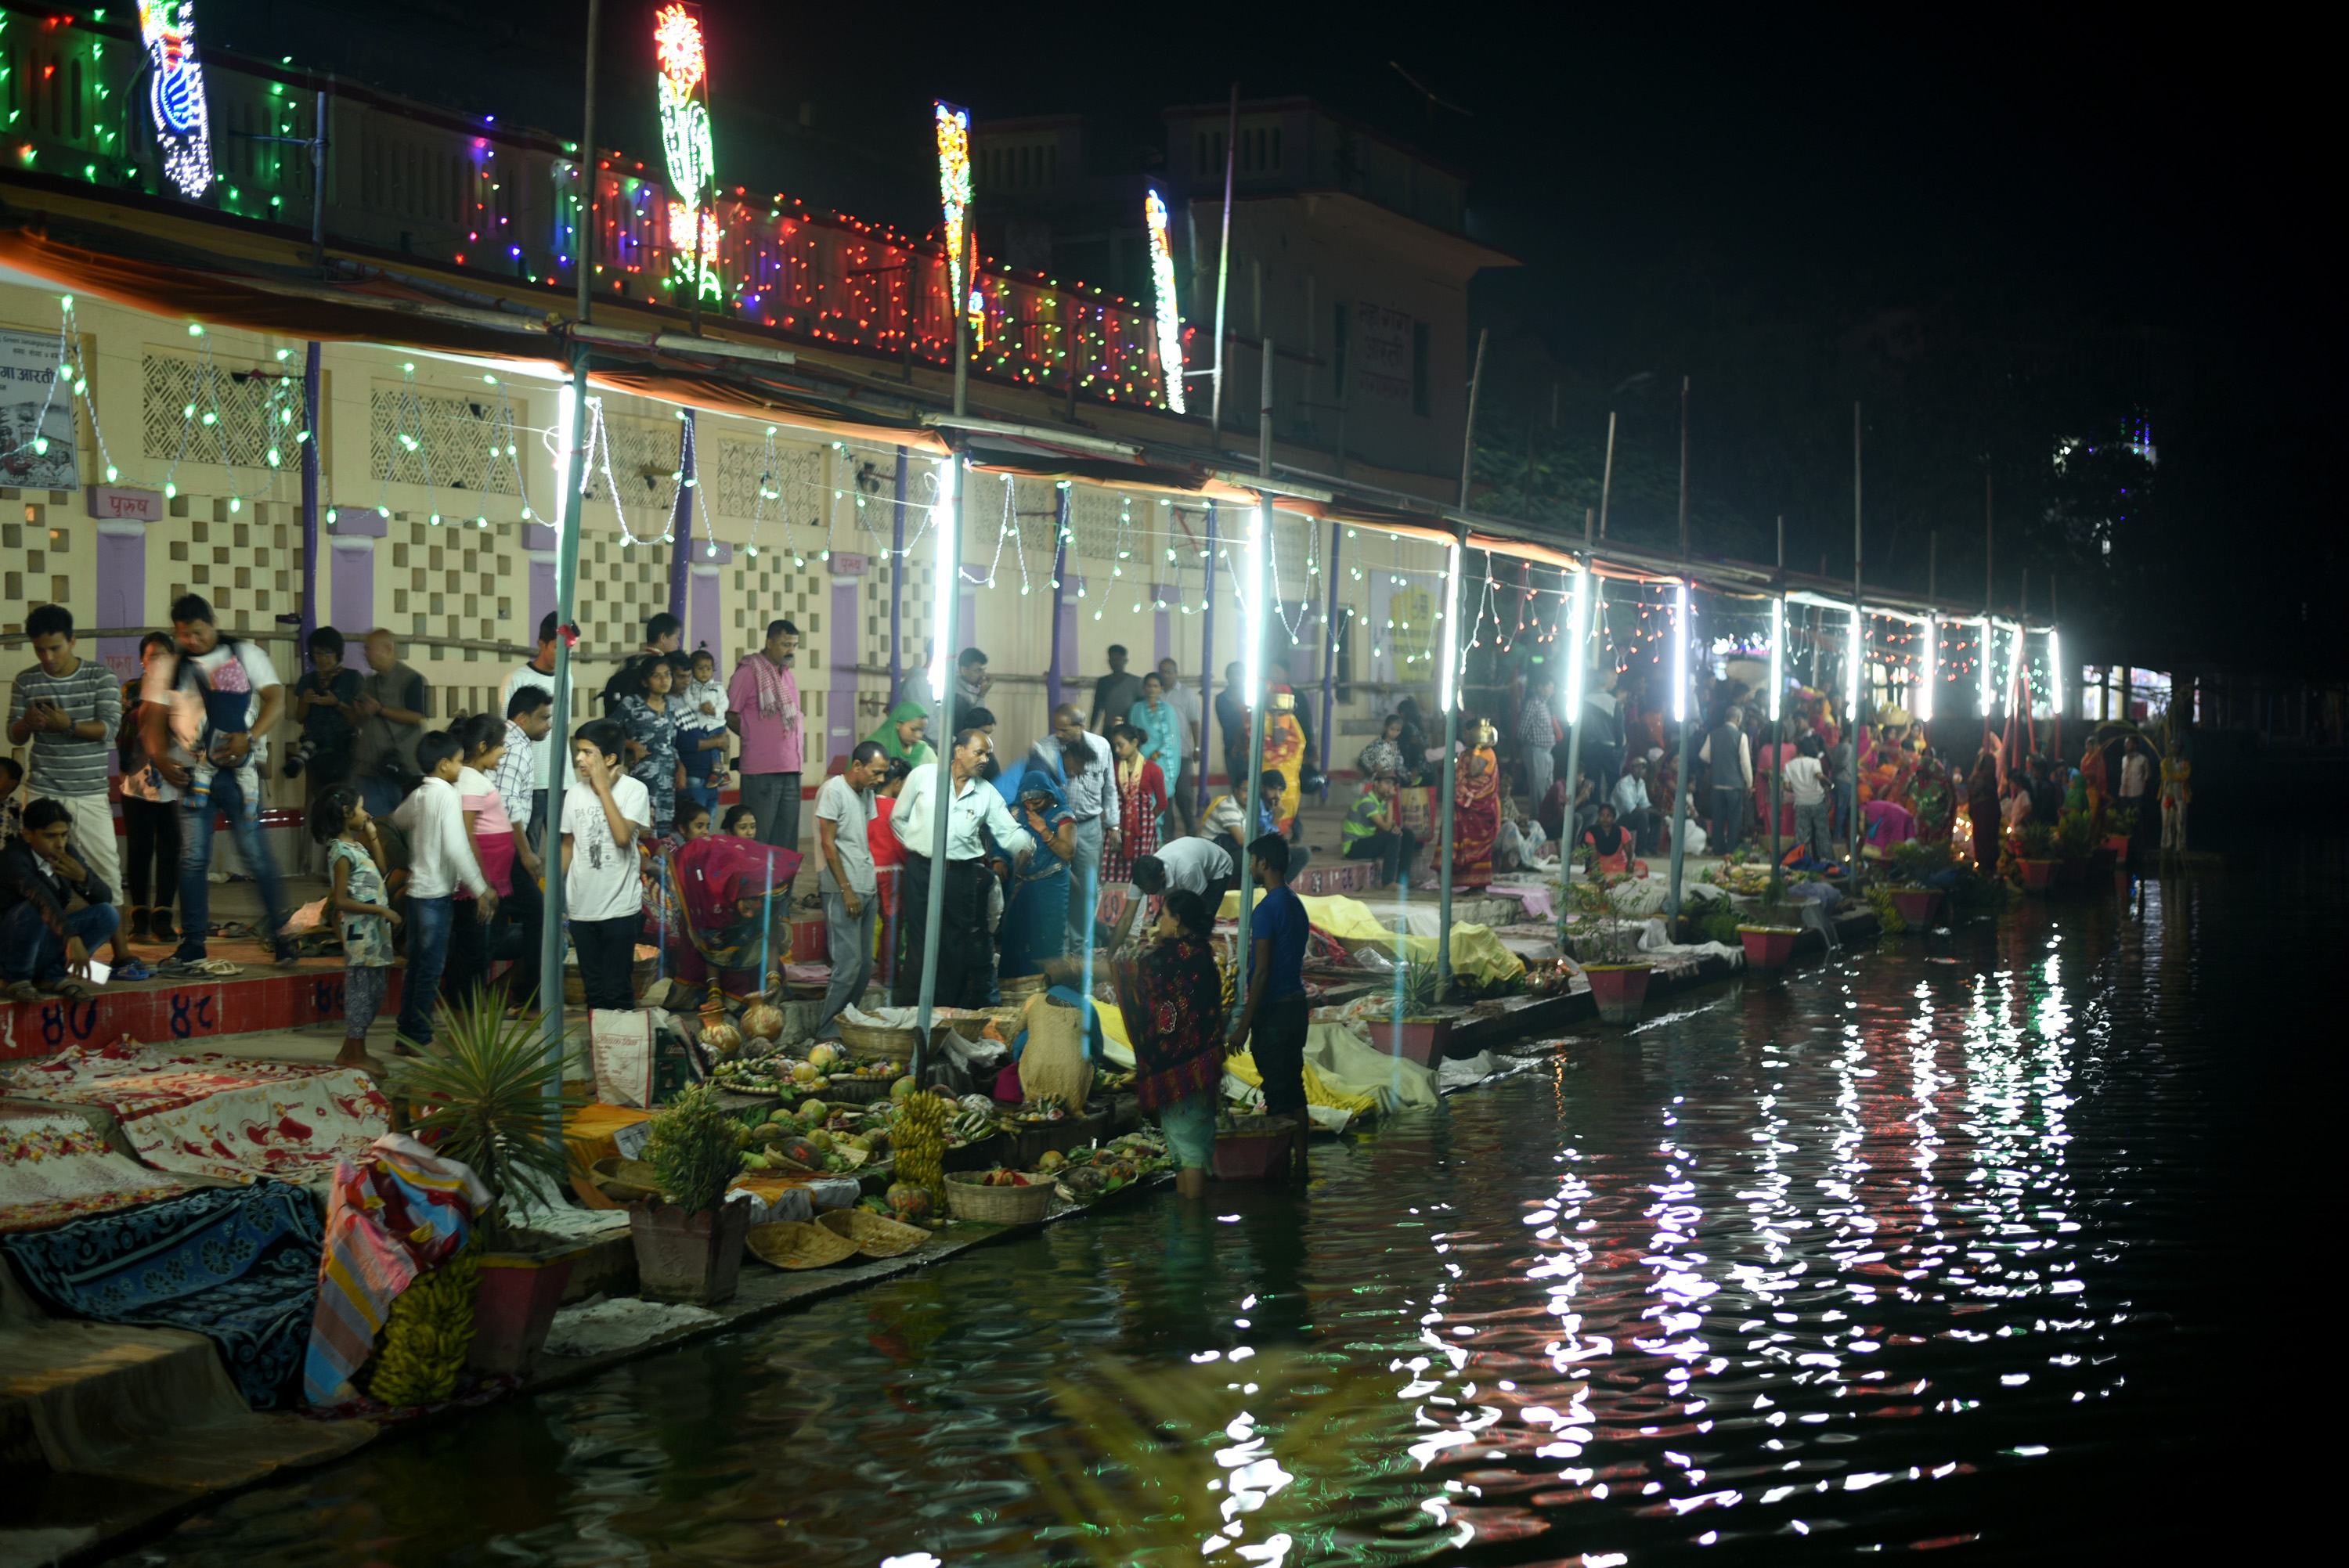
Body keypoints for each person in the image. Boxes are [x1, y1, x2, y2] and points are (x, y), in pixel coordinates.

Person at [141, 595, 298, 971]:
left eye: (197, 632)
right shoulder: (170, 665)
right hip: (193, 774)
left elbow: (277, 700)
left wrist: (252, 736)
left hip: (240, 771)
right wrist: (161, 758)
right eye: (184, 635)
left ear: (212, 622)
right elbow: (152, 720)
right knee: (193, 860)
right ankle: (193, 944)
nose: (191, 641)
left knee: (256, 855)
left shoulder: (245, 654)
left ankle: (284, 937)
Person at [9, 605, 130, 978]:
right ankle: (42, 959)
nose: (47, 657)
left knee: (106, 873)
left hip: (90, 791)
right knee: (40, 877)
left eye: (55, 649)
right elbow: (14, 735)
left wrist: (68, 724)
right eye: (40, 650)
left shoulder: (99, 676)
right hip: (45, 791)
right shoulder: (26, 681)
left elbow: (110, 729)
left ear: (73, 641)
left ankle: (122, 957)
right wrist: (27, 724)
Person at [889, 729, 1034, 1007]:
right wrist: (921, 845)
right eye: (979, 752)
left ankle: (948, 1013)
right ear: (958, 751)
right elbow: (899, 818)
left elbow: (1008, 831)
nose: (985, 759)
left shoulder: (986, 792)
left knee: (956, 945)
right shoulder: (923, 776)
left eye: (988, 754)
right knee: (920, 943)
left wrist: (1026, 847)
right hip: (922, 871)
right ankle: (912, 1013)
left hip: (961, 875)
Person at [1113, 889, 1225, 1199]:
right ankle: (1189, 1231)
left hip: (1172, 1071)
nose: (1158, 920)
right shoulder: (1203, 955)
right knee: (1187, 1147)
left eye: (1163, 914)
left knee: (1186, 1150)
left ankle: (1192, 1230)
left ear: (1176, 921)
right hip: (1200, 1067)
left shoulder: (1164, 960)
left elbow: (1127, 971)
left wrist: (1071, 968)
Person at [392, 730, 494, 1046]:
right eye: (460, 762)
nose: (463, 769)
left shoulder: (421, 793)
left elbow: (398, 818)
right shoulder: (447, 795)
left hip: (418, 894)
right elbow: (457, 846)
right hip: (435, 895)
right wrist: (480, 888)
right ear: (445, 764)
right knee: (430, 971)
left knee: (419, 967)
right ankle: (418, 1038)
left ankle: (405, 1034)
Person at [1228, 833, 1309, 1174]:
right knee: (1294, 1088)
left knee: (1278, 1096)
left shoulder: (1266, 909)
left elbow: (1261, 973)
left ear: (1263, 863)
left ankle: (1276, 1170)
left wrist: (1243, 1026)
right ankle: (1301, 1164)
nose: (1249, 868)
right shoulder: (1295, 903)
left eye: (1252, 861)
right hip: (1297, 1006)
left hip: (1274, 1010)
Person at [565, 719, 652, 1013]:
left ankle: (621, 1055)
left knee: (618, 990)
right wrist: (556, 894)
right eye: (579, 751)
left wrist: (603, 789)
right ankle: (599, 1053)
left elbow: (622, 837)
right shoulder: (574, 792)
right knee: (594, 991)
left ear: (610, 759)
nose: (579, 759)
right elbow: (568, 845)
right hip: (581, 908)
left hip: (619, 909)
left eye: (587, 752)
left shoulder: (634, 790)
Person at [311, 786, 400, 1071]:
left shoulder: (357, 846)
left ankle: (350, 1050)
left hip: (374, 934)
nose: (366, 813)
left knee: (375, 991)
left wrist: (373, 835)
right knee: (362, 992)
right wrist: (380, 910)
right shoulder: (339, 852)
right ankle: (355, 1052)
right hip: (361, 934)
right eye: (361, 809)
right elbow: (340, 900)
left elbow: (382, 869)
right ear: (347, 814)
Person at [0, 798, 120, 1003]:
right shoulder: (13, 858)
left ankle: (52, 976)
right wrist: (71, 938)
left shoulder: (66, 853)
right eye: (50, 836)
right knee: (33, 910)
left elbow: (105, 897)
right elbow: (42, 900)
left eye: (64, 835)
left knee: (107, 914)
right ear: (28, 834)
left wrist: (83, 878)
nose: (59, 844)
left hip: (42, 945)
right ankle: (16, 979)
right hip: (8, 948)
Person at [1027, 705, 1120, 955]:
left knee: (1088, 889)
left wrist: (1115, 825)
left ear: (1081, 727)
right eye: (1056, 728)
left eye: (1065, 730)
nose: (1058, 734)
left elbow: (1110, 789)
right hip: (1056, 829)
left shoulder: (1101, 746)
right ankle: (1063, 948)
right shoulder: (1044, 749)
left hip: (1089, 827)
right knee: (1059, 886)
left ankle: (1081, 949)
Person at [814, 742, 887, 1036]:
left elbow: (860, 842)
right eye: (876, 772)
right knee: (848, 965)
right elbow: (828, 844)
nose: (880, 779)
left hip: (865, 885)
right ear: (857, 766)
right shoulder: (833, 791)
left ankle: (847, 1024)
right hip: (842, 888)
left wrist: (871, 887)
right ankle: (827, 1033)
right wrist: (845, 889)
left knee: (864, 965)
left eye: (883, 774)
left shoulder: (865, 794)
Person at [114, 634, 180, 956]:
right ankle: (139, 914)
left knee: (171, 848)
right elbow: (126, 728)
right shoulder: (131, 690)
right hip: (137, 778)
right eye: (153, 657)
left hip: (173, 781)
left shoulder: (181, 689)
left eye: (166, 656)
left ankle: (163, 915)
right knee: (140, 849)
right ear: (143, 660)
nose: (159, 662)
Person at [493, 687, 554, 1010]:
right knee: (539, 914)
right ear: (522, 718)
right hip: (505, 848)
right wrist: (526, 852)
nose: (549, 725)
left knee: (500, 918)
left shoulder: (509, 740)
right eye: (544, 717)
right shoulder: (514, 747)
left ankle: (501, 992)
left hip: (498, 848)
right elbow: (506, 805)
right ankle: (531, 995)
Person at [727, 618, 806, 854]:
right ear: (769, 642)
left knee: (787, 838)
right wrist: (755, 737)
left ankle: (782, 891)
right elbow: (731, 715)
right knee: (759, 837)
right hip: (761, 770)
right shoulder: (748, 671)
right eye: (785, 644)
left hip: (791, 767)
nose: (791, 650)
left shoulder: (787, 674)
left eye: (794, 645)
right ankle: (757, 891)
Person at [454, 715, 517, 1004]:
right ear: (482, 747)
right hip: (478, 886)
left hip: (491, 881)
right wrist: (482, 886)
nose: (504, 751)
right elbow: (467, 835)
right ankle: (466, 1017)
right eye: (500, 746)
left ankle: (470, 1011)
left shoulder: (476, 778)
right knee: (473, 952)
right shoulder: (468, 780)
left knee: (481, 948)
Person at [997, 769, 1077, 981]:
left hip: (1051, 884)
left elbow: (1068, 852)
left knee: (1047, 940)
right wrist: (998, 860)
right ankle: (1012, 992)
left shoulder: (1062, 815)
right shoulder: (1014, 812)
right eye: (1027, 800)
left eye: (1037, 800)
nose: (1031, 805)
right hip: (1019, 883)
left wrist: (1044, 830)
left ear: (1049, 795)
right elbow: (998, 838)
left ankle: (1046, 993)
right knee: (1015, 937)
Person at [349, 629, 431, 820]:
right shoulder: (367, 683)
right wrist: (356, 711)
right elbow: (357, 721)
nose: (365, 654)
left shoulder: (412, 679)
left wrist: (380, 709)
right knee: (375, 827)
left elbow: (417, 716)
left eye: (370, 649)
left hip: (402, 767)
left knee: (408, 825)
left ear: (388, 649)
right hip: (370, 768)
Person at [502, 611, 571, 834]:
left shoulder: (567, 677)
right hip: (530, 780)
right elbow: (508, 732)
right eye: (557, 647)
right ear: (541, 644)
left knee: (565, 849)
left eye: (569, 648)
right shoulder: (517, 679)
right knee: (527, 848)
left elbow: (562, 728)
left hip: (562, 779)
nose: (564, 655)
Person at [612, 653, 687, 838]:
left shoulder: (670, 706)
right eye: (657, 676)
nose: (664, 680)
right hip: (644, 778)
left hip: (668, 779)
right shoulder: (632, 704)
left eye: (668, 674)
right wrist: (631, 744)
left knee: (665, 829)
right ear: (645, 681)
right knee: (644, 827)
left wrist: (681, 767)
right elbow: (609, 732)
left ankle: (661, 867)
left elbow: (670, 744)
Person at [287, 625, 363, 796]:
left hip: (346, 750)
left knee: (345, 798)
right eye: (318, 653)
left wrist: (336, 703)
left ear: (338, 653)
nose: (323, 659)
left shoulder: (353, 678)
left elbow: (357, 719)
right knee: (317, 800)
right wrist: (305, 701)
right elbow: (300, 718)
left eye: (328, 653)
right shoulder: (307, 680)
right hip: (315, 750)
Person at [1104, 723, 1166, 886]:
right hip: (1117, 823)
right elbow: (1107, 796)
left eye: (1121, 745)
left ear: (1135, 743)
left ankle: (1139, 908)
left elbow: (1162, 803)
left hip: (1142, 827)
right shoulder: (1114, 766)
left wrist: (1147, 819)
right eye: (1115, 745)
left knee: (1141, 871)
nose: (1117, 750)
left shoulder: (1153, 769)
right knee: (1111, 868)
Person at [1128, 672, 1185, 835]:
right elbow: (1131, 733)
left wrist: (1157, 754)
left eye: (1155, 686)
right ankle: (1142, 832)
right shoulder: (1136, 708)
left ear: (1160, 689)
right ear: (1144, 688)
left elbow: (1172, 737)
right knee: (1140, 797)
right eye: (1149, 686)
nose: (1152, 689)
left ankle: (1155, 833)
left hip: (1160, 760)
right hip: (1140, 758)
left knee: (1157, 798)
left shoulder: (1168, 710)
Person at [676, 647, 729, 818]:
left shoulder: (718, 688)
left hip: (716, 722)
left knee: (716, 743)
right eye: (700, 668)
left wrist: (715, 711)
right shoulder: (689, 689)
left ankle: (717, 770)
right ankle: (717, 771)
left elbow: (724, 705)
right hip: (700, 726)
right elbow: (688, 702)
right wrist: (700, 707)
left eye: (708, 668)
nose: (705, 672)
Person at [1340, 773, 1417, 889]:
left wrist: (1395, 827)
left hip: (1366, 842)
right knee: (1393, 837)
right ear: (1376, 783)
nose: (1390, 787)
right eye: (1387, 783)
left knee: (1407, 834)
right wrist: (1391, 801)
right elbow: (1386, 827)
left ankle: (1403, 879)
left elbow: (1390, 823)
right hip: (1353, 846)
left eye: (1392, 784)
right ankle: (1388, 882)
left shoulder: (1381, 802)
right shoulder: (1367, 801)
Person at [1156, 656, 1203, 835]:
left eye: (1169, 671)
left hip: (1182, 753)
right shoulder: (1155, 692)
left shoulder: (1186, 693)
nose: (1165, 675)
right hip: (1160, 755)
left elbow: (1195, 722)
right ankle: (1168, 832)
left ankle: (1191, 828)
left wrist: (1197, 747)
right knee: (1164, 794)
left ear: (1176, 673)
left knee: (1184, 793)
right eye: (1162, 671)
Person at [1700, 705, 1752, 856]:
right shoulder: (1741, 736)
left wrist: (1716, 760)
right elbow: (1745, 764)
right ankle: (1731, 849)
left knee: (1718, 818)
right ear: (1738, 720)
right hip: (1734, 785)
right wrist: (1749, 783)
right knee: (1734, 818)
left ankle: (1718, 848)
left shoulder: (1713, 734)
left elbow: (1704, 756)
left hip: (1716, 783)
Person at [1130, 838, 1236, 910]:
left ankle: (1196, 941)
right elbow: (1127, 919)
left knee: (1205, 913)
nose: (1146, 893)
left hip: (1219, 866)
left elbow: (1198, 904)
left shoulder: (1187, 870)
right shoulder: (1143, 875)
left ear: (1162, 877)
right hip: (1191, 861)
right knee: (1167, 916)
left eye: (1149, 889)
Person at [1785, 734, 1831, 864]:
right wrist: (1829, 785)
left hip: (1801, 803)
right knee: (1822, 833)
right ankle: (1826, 861)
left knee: (1802, 835)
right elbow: (1819, 776)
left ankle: (1802, 860)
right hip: (1817, 800)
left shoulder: (1789, 765)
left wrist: (1799, 789)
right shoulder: (1815, 762)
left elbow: (1787, 786)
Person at [1517, 673, 1561, 804]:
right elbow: (1522, 729)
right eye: (1550, 687)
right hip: (1536, 751)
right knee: (1538, 790)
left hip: (1546, 752)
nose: (1552, 690)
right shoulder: (1533, 704)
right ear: (1540, 688)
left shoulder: (1545, 704)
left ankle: (1545, 820)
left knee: (1548, 788)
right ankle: (1537, 820)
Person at [1089, 644, 1144, 737]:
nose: (1116, 663)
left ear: (1125, 661)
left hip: (1130, 731)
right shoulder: (1103, 682)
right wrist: (1091, 731)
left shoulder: (1136, 683)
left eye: (1119, 659)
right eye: (1113, 660)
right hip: (1109, 730)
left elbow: (1141, 710)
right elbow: (1097, 708)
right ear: (1109, 662)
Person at [1611, 755, 1661, 856]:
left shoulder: (1641, 783)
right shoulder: (1624, 783)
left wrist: (1656, 811)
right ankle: (1640, 850)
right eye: (1637, 767)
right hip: (1617, 819)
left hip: (1630, 816)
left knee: (1657, 816)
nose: (1640, 770)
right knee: (1643, 816)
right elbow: (1631, 808)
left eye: (1643, 768)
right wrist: (1651, 811)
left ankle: (1651, 848)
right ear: (1632, 768)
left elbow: (1645, 803)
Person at [868, 697, 937, 769]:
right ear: (898, 724)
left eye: (922, 730)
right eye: (913, 729)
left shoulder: (925, 752)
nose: (918, 736)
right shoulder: (873, 749)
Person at [1214, 660, 1249, 790]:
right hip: (1232, 747)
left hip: (1252, 747)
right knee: (1237, 785)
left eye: (1239, 674)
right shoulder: (1221, 699)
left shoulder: (1252, 696)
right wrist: (1237, 744)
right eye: (1232, 674)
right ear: (1227, 676)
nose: (1236, 677)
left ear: (1245, 675)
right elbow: (1227, 724)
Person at [1582, 801, 1637, 874]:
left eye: (1608, 816)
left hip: (1620, 866)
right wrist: (1595, 872)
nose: (1605, 818)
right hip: (1602, 867)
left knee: (1641, 866)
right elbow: (1594, 855)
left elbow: (1631, 854)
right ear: (1598, 816)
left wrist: (1630, 863)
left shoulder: (1622, 831)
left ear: (1614, 818)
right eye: (1602, 815)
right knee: (1597, 872)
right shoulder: (1591, 833)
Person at [1357, 712, 1409, 782]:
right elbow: (1363, 757)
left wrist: (1408, 776)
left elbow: (1399, 765)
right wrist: (1374, 766)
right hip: (1377, 781)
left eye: (1398, 730)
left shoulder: (1396, 746)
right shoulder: (1377, 744)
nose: (1395, 733)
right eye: (1392, 729)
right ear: (1386, 727)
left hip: (1391, 781)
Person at [2160, 742, 2192, 852]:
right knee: (2166, 822)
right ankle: (2166, 844)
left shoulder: (2185, 763)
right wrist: (2178, 775)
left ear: (2181, 748)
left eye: (2177, 746)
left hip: (2180, 797)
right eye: (2173, 747)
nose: (2175, 749)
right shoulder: (2165, 762)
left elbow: (2186, 775)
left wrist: (2172, 775)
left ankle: (2181, 846)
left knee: (2181, 821)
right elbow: (2165, 776)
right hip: (2167, 795)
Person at [954, 647, 994, 724]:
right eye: (978, 670)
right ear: (964, 670)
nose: (983, 675)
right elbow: (974, 723)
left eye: (984, 670)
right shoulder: (958, 695)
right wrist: (982, 696)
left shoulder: (973, 687)